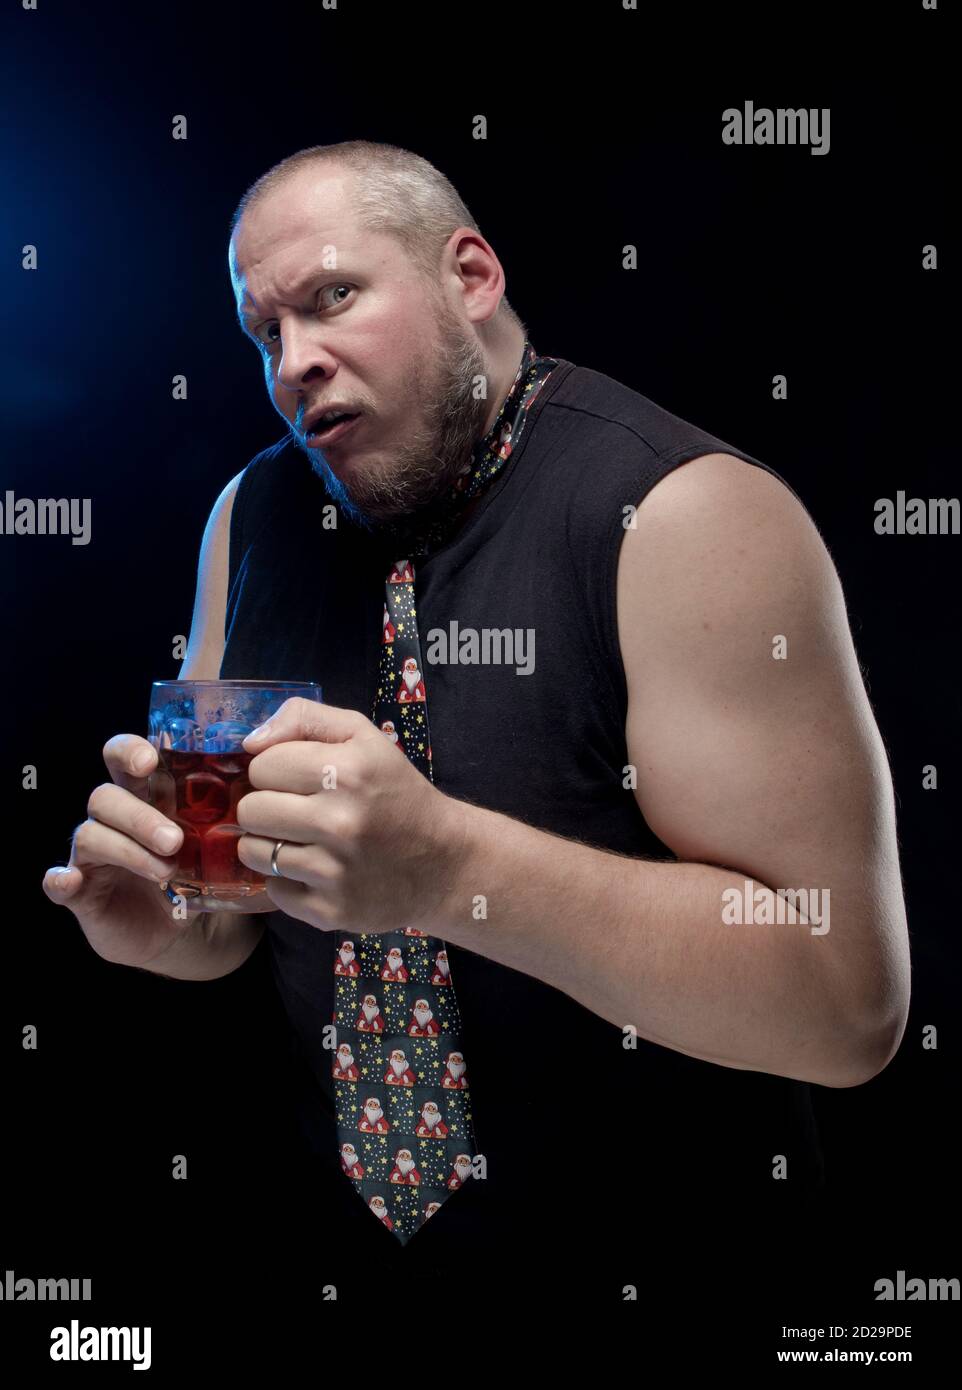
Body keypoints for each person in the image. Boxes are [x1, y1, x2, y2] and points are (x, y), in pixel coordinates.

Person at [42, 140, 910, 1308]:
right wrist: (159, 923)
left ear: (470, 276)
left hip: (672, 1276)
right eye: (264, 335)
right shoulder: (249, 515)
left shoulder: (687, 515)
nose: (296, 361)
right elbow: (228, 916)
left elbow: (844, 1005)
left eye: (333, 298)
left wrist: (447, 867)